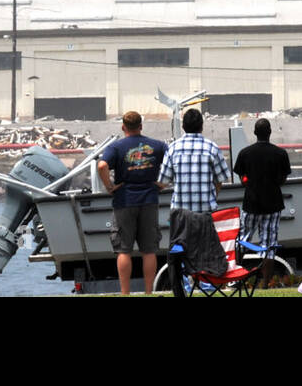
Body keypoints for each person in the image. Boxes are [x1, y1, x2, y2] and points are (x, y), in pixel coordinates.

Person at [97, 110, 168, 295]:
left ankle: (125, 292)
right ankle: (148, 292)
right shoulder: (157, 145)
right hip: (149, 200)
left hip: (124, 201)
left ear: (123, 127)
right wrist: (163, 183)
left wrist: (109, 186)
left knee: (123, 250)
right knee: (149, 250)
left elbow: (102, 165)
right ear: (141, 126)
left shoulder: (116, 147)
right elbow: (174, 160)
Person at [158, 108, 231, 278]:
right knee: (206, 250)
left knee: (180, 250)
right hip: (206, 212)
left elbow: (163, 180)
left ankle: (183, 283)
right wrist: (213, 196)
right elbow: (220, 179)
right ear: (201, 126)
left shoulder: (173, 148)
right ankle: (206, 280)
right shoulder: (212, 147)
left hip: (180, 215)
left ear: (183, 126)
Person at [232, 117, 292, 289]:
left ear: (255, 133)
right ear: (270, 132)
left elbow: (242, 178)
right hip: (273, 203)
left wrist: (249, 182)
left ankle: (237, 277)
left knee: (241, 240)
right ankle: (265, 283)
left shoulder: (245, 153)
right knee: (269, 244)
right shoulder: (280, 154)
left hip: (251, 203)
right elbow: (283, 179)